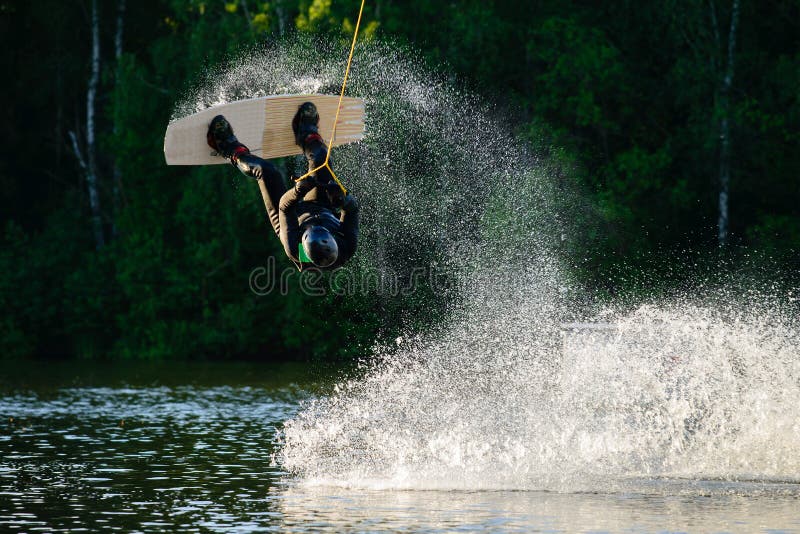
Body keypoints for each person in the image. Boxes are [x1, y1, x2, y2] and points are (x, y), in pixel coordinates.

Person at [206, 102, 359, 270]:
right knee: (321, 158)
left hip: (288, 218)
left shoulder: (294, 248)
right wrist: (342, 200)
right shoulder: (347, 246)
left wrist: (298, 190)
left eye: (312, 228)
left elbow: (284, 207)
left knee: (268, 171)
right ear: (332, 237)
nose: (315, 226)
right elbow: (352, 210)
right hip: (321, 206)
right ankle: (306, 132)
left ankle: (228, 148)